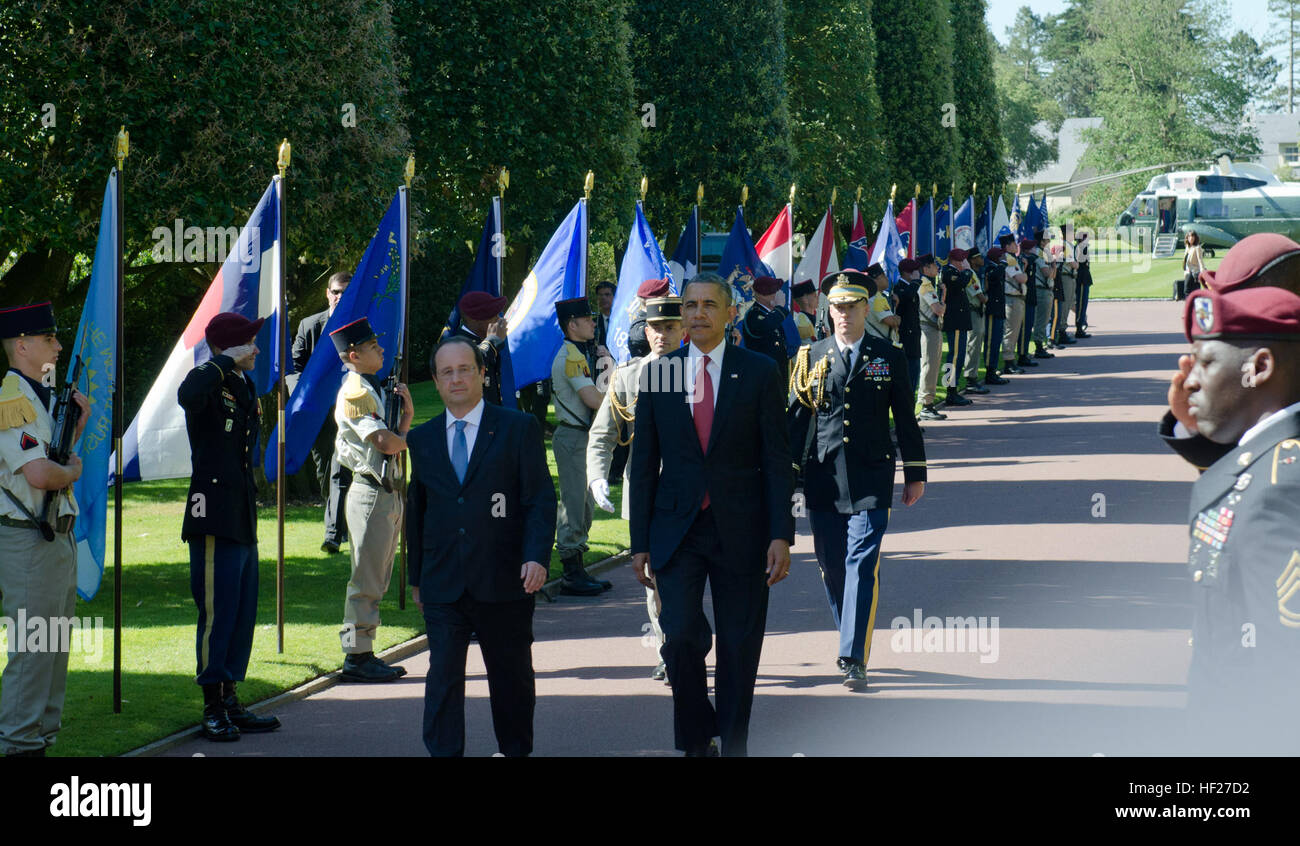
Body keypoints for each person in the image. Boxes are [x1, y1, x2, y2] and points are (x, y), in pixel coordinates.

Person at [629, 272, 794, 757]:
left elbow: (777, 459)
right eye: (690, 305)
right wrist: (639, 542)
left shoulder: (760, 371)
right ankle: (698, 736)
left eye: (708, 305)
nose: (697, 313)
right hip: (677, 530)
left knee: (740, 647)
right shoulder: (659, 373)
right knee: (680, 637)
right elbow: (643, 466)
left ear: (729, 314)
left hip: (742, 530)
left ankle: (734, 742)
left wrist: (780, 534)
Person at [1161, 284, 1300, 752]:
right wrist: (1197, 433)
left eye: (1206, 362)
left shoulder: (1281, 493)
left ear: (1259, 367)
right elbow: (1240, 478)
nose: (1189, 380)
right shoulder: (1275, 465)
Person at [407, 336, 557, 756]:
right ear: (436, 382)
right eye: (447, 372)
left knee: (510, 679)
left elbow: (539, 500)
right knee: (442, 679)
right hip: (443, 583)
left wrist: (535, 556)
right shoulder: (421, 440)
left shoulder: (517, 429)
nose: (457, 379)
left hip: (504, 579)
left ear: (481, 373)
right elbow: (418, 514)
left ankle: (514, 750)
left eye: (465, 369)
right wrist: (416, 577)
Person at [789, 273, 927, 689]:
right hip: (824, 478)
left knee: (861, 562)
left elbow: (906, 419)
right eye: (837, 307)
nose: (844, 314)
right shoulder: (810, 356)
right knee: (832, 566)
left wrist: (915, 473)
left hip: (871, 476)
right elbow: (795, 425)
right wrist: (786, 477)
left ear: (867, 309)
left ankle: (853, 655)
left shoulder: (888, 356)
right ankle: (852, 632)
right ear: (828, 311)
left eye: (852, 306)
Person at [177, 312, 281, 741]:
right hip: (213, 512)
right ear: (230, 347)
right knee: (217, 612)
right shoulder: (208, 378)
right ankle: (212, 705)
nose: (256, 348)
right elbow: (188, 394)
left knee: (240, 611)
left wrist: (232, 363)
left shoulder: (242, 385)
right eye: (249, 342)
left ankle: (231, 695)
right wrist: (223, 359)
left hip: (240, 510)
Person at [0, 302, 89, 757]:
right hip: (30, 539)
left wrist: (77, 425)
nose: (57, 345)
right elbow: (40, 474)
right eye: (48, 338)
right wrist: (73, 470)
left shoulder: (37, 396)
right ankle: (19, 745)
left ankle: (39, 740)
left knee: (53, 650)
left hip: (53, 535)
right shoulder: (11, 398)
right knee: (35, 650)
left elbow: (51, 456)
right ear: (22, 345)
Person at [586, 295, 684, 681]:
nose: (662, 334)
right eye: (656, 328)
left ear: (683, 330)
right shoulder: (627, 376)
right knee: (654, 580)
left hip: (690, 493)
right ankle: (668, 650)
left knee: (688, 577)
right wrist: (597, 475)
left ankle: (684, 644)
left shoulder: (699, 371)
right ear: (646, 331)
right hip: (646, 494)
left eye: (670, 327)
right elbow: (603, 434)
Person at [330, 317, 414, 682]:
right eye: (373, 348)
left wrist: (405, 418)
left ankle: (363, 651)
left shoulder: (370, 386)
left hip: (384, 491)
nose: (380, 351)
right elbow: (384, 442)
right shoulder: (356, 392)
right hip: (369, 492)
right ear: (354, 354)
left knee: (376, 579)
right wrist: (409, 434)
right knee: (363, 582)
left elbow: (391, 437)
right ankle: (354, 655)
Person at [550, 297, 608, 596]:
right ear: (572, 324)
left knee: (584, 503)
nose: (593, 323)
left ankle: (578, 568)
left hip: (581, 436)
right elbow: (594, 400)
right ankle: (572, 573)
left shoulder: (581, 352)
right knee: (574, 504)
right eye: (588, 319)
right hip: (574, 437)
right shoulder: (571, 356)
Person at [291, 271, 351, 554]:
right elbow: (294, 367)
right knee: (325, 472)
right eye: (336, 291)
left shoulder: (360, 327)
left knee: (340, 471)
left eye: (345, 292)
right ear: (327, 293)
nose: (340, 297)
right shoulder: (309, 325)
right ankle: (342, 525)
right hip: (317, 413)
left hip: (350, 412)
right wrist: (302, 396)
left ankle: (332, 536)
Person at [449, 291, 509, 406]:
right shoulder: (456, 343)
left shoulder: (484, 342)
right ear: (473, 319)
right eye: (493, 316)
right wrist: (492, 341)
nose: (499, 320)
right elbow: (471, 363)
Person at [742, 275, 793, 386]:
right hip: (762, 377)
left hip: (776, 375)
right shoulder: (754, 314)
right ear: (763, 296)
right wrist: (779, 307)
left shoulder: (769, 314)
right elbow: (765, 326)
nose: (779, 294)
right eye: (774, 291)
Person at [915, 255, 949, 420]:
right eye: (934, 266)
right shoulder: (925, 285)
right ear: (926, 268)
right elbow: (938, 309)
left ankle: (928, 402)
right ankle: (925, 405)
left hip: (932, 329)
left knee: (933, 365)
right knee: (929, 366)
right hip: (927, 330)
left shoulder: (927, 284)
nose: (937, 268)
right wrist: (944, 296)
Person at [940, 249, 975, 405]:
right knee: (954, 356)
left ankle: (953, 389)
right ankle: (950, 390)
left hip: (960, 321)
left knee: (958, 356)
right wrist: (967, 270)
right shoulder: (948, 271)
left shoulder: (955, 271)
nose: (964, 263)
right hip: (954, 321)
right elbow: (961, 282)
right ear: (955, 261)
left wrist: (966, 271)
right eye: (962, 260)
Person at [960, 249, 992, 393]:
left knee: (975, 344)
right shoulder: (971, 274)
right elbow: (981, 296)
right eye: (978, 257)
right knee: (973, 344)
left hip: (976, 311)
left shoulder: (974, 273)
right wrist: (987, 299)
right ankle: (970, 379)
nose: (981, 259)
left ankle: (971, 377)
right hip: (973, 311)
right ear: (972, 260)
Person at [1000, 236, 1031, 373]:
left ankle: (1011, 361)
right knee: (1010, 331)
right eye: (1013, 244)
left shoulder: (1011, 258)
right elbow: (1020, 278)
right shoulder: (1009, 259)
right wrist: (1025, 274)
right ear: (1007, 246)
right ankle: (1008, 362)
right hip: (1012, 299)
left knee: (1014, 330)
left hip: (1015, 298)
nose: (1016, 246)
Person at [894, 258, 923, 400]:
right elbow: (906, 297)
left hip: (914, 338)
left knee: (914, 376)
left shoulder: (910, 287)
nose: (919, 273)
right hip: (906, 339)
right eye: (915, 270)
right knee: (908, 379)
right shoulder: (899, 288)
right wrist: (916, 282)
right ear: (907, 273)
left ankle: (910, 413)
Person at [981, 247, 1011, 384]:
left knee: (997, 341)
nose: (1004, 257)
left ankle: (993, 369)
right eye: (1001, 256)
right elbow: (993, 277)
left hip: (999, 309)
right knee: (991, 342)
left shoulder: (997, 268)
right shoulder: (990, 268)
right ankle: (989, 371)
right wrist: (1003, 264)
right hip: (992, 310)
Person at [862, 263, 901, 348]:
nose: (887, 279)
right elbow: (892, 321)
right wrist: (898, 319)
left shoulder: (868, 296)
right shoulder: (876, 298)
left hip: (871, 343)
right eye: (884, 276)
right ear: (876, 280)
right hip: (879, 344)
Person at [1074, 232, 1092, 338]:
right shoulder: (1081, 248)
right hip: (1081, 279)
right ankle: (1079, 327)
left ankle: (1080, 325)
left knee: (1082, 304)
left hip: (1083, 278)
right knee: (1081, 304)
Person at [791, 279, 819, 343]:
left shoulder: (813, 318)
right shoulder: (801, 324)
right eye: (814, 296)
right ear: (805, 300)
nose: (817, 297)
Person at [593, 280, 616, 355]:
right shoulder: (593, 324)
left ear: (615, 297)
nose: (603, 298)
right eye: (600, 295)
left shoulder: (623, 321)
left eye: (607, 294)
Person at [1181, 231, 1205, 300]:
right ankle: (1191, 307)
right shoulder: (1187, 248)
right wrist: (1185, 271)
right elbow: (1185, 261)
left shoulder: (1197, 248)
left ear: (1195, 238)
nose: (1191, 238)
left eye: (1192, 236)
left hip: (1194, 272)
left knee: (1189, 291)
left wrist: (1202, 271)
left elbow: (1200, 260)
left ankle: (1192, 307)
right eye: (1189, 236)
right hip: (1188, 272)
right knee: (1188, 291)